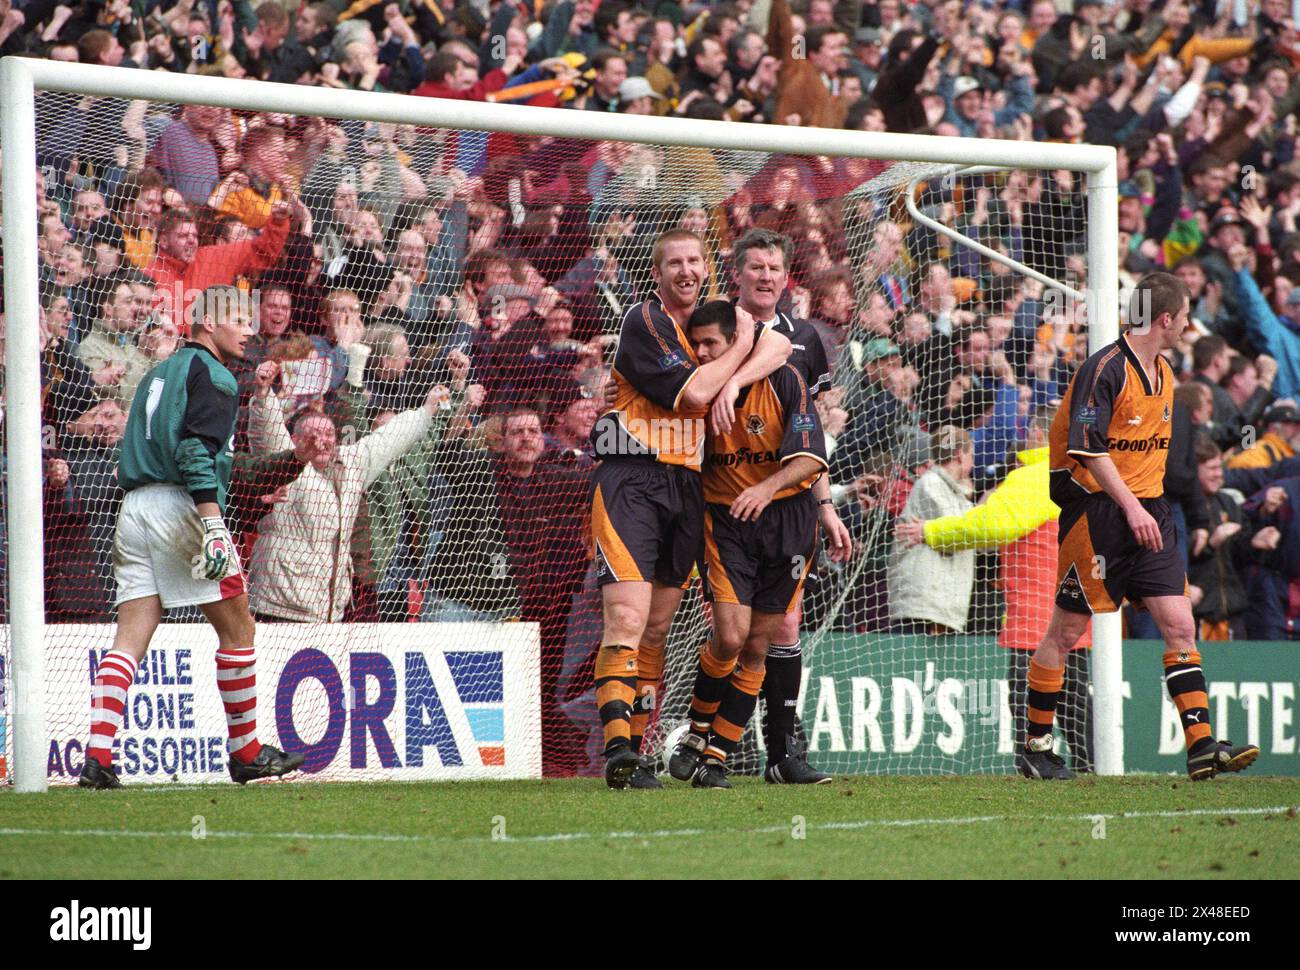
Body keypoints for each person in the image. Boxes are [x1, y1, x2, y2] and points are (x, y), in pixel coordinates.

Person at [1025, 272, 1259, 781]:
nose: (1189, 325)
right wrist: (1130, 508)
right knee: (1066, 632)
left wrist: (1160, 510)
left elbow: (1154, 457)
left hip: (1148, 512)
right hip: (1098, 512)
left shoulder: (1167, 374)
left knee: (1179, 624)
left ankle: (1200, 747)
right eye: (1186, 315)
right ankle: (1037, 747)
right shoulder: (1104, 368)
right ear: (1165, 319)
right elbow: (1089, 448)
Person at [79, 285, 305, 790]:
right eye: (240, 320)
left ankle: (97, 758)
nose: (250, 330)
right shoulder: (217, 376)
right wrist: (212, 521)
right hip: (182, 508)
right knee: (239, 628)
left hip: (135, 507)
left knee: (129, 639)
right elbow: (193, 455)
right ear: (208, 324)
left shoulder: (157, 373)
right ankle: (246, 752)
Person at [589, 228, 790, 789]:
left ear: (707, 268)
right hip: (632, 478)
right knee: (626, 619)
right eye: (674, 262)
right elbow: (698, 394)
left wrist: (740, 356)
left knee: (656, 629)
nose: (685, 270)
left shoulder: (713, 324)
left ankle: (642, 749)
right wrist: (734, 363)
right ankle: (619, 754)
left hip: (688, 487)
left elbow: (779, 345)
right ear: (657, 274)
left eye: (694, 260)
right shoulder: (646, 322)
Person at [666, 300, 828, 788]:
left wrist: (766, 487)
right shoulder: (692, 389)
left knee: (758, 645)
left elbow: (812, 460)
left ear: (733, 347)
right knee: (731, 636)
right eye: (695, 345)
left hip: (789, 520)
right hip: (726, 520)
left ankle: (716, 757)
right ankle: (696, 732)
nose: (700, 352)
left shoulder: (784, 381)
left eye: (709, 343)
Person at [895, 405, 1094, 773]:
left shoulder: (1035, 477)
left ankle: (1035, 760)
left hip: (1035, 613)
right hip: (1075, 609)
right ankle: (1089, 765)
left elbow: (990, 527)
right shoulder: (1083, 474)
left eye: (1028, 429)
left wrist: (930, 531)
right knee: (1074, 697)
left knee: (1028, 695)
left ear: (1039, 435)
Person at [722, 228, 853, 784]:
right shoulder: (714, 329)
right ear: (737, 274)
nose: (767, 277)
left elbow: (813, 431)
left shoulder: (804, 336)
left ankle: (780, 752)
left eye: (775, 268)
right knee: (730, 629)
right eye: (756, 268)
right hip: (725, 499)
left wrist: (825, 504)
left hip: (790, 500)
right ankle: (710, 743)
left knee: (784, 626)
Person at [888, 426, 976, 633]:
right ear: (960, 456)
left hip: (939, 605)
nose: (973, 460)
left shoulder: (952, 491)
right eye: (971, 454)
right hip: (922, 606)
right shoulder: (931, 483)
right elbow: (960, 532)